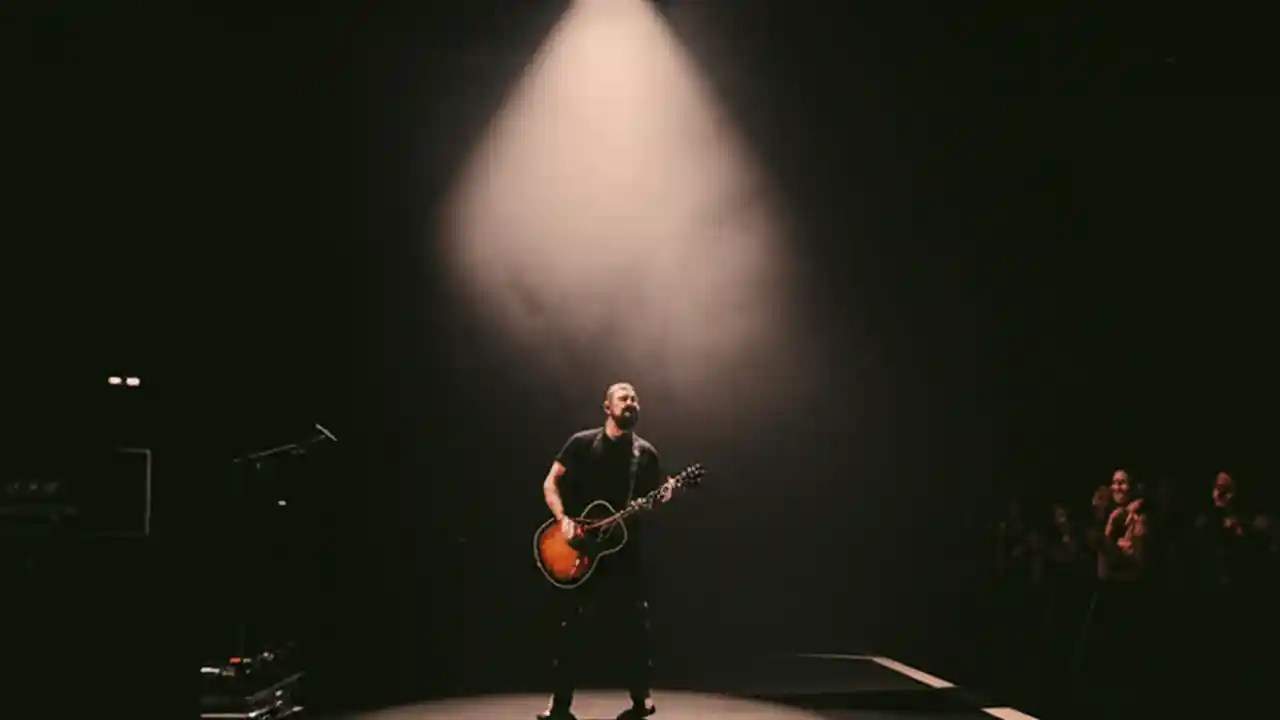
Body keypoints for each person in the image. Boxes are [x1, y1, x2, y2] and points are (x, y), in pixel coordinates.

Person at [538, 382, 674, 720]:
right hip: (582, 547)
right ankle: (559, 708)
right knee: (571, 629)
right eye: (623, 398)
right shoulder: (582, 444)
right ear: (607, 407)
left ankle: (641, 703)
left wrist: (666, 493)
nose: (631, 402)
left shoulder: (645, 454)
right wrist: (563, 520)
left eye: (635, 399)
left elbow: (656, 495)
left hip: (624, 553)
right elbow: (550, 483)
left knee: (635, 629)